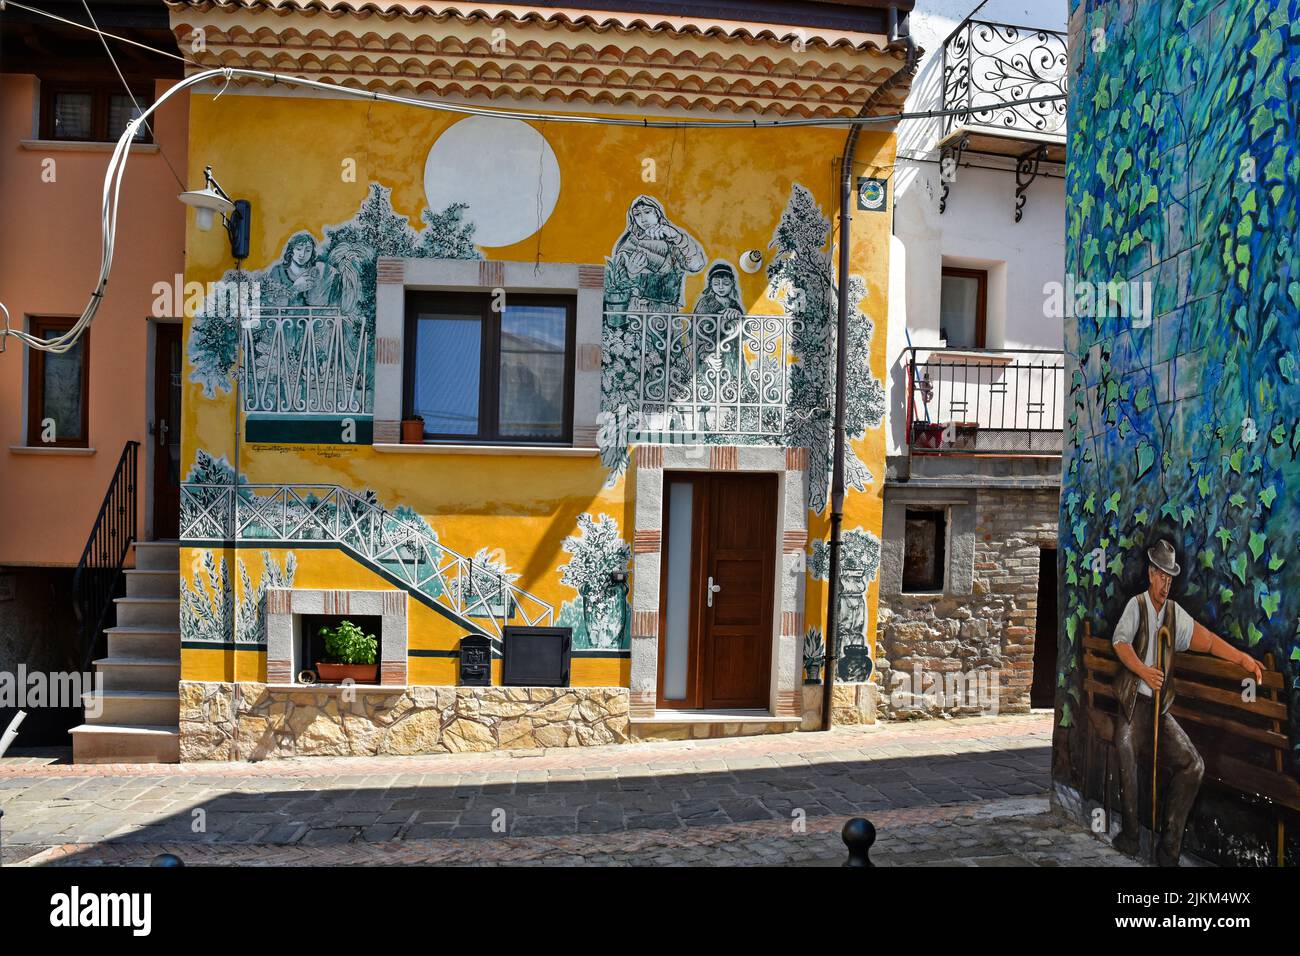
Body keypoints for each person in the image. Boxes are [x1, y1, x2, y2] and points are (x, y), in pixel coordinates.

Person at [1109, 538, 1264, 865]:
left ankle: (1169, 852)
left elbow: (1207, 642)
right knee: (1125, 746)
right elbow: (1120, 644)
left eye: (1170, 577)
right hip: (1133, 704)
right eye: (1161, 575)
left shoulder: (1174, 614)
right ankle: (1132, 836)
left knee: (1193, 765)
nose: (1166, 583)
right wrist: (1144, 671)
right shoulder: (1135, 606)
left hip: (1158, 711)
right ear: (1151, 573)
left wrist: (1243, 660)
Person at [604, 196, 706, 314]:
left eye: (647, 212)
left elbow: (696, 265)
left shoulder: (672, 239)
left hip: (664, 309)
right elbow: (615, 283)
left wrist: (679, 238)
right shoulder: (628, 243)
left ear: (657, 214)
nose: (643, 219)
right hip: (633, 308)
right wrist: (630, 273)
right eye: (637, 214)